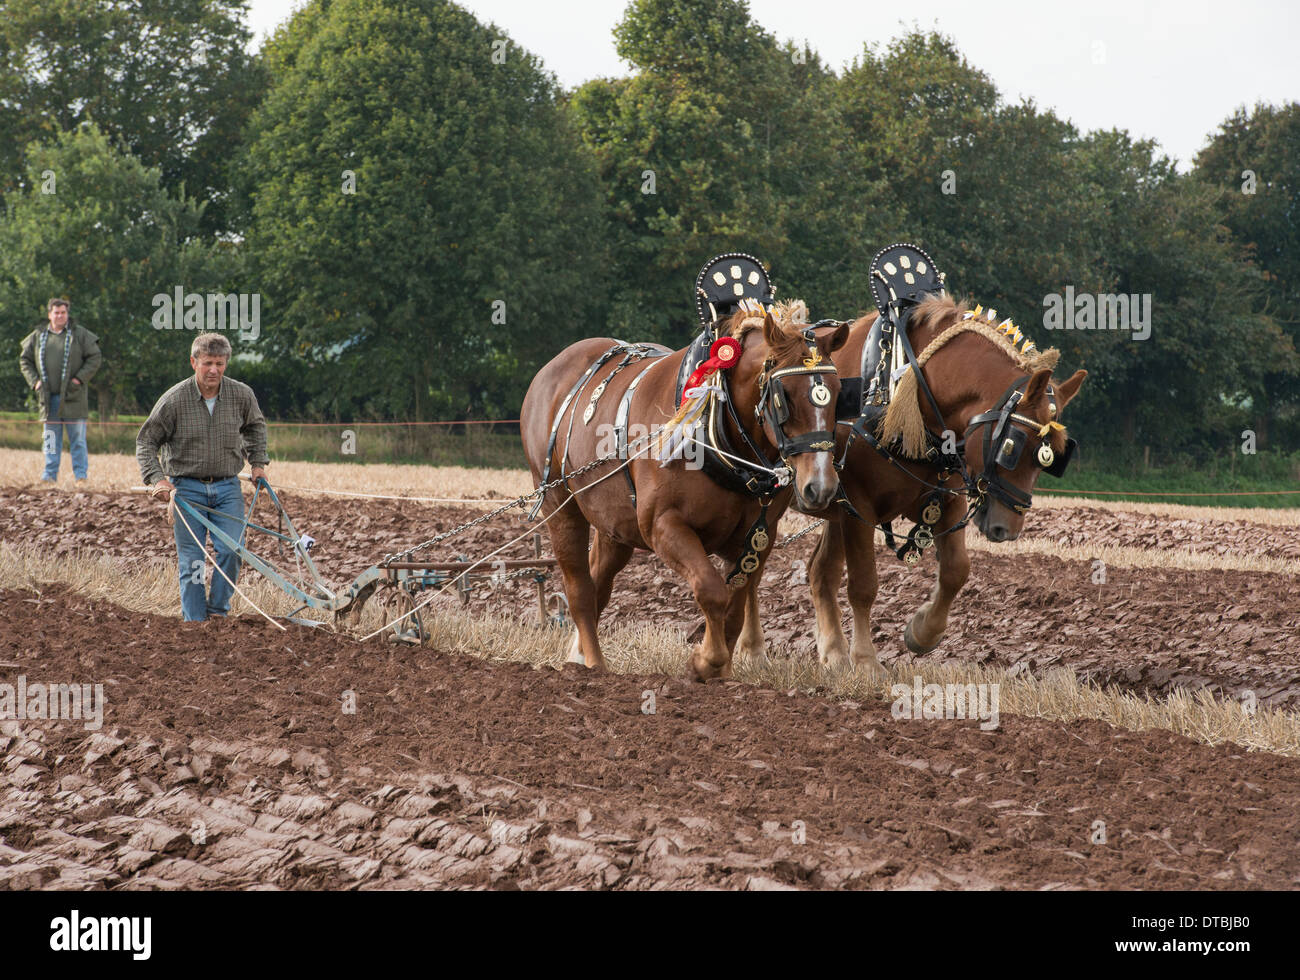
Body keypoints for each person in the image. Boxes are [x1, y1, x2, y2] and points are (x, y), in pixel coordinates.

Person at [136, 333, 269, 621]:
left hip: (227, 488)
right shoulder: (174, 400)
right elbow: (146, 442)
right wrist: (157, 479)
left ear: (226, 364)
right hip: (186, 490)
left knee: (232, 551)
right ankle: (195, 624)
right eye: (207, 363)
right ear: (193, 362)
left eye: (219, 363)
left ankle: (218, 612)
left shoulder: (241, 395)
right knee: (193, 561)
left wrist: (257, 463)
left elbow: (256, 428)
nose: (214, 370)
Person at [18, 298, 102, 483]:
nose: (60, 316)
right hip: (47, 399)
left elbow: (95, 357)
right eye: (56, 312)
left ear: (67, 314)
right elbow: (25, 360)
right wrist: (35, 382)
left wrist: (79, 379)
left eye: (63, 312)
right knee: (50, 441)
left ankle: (81, 477)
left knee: (78, 440)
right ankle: (49, 476)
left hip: (74, 397)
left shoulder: (79, 335)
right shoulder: (38, 336)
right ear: (49, 314)